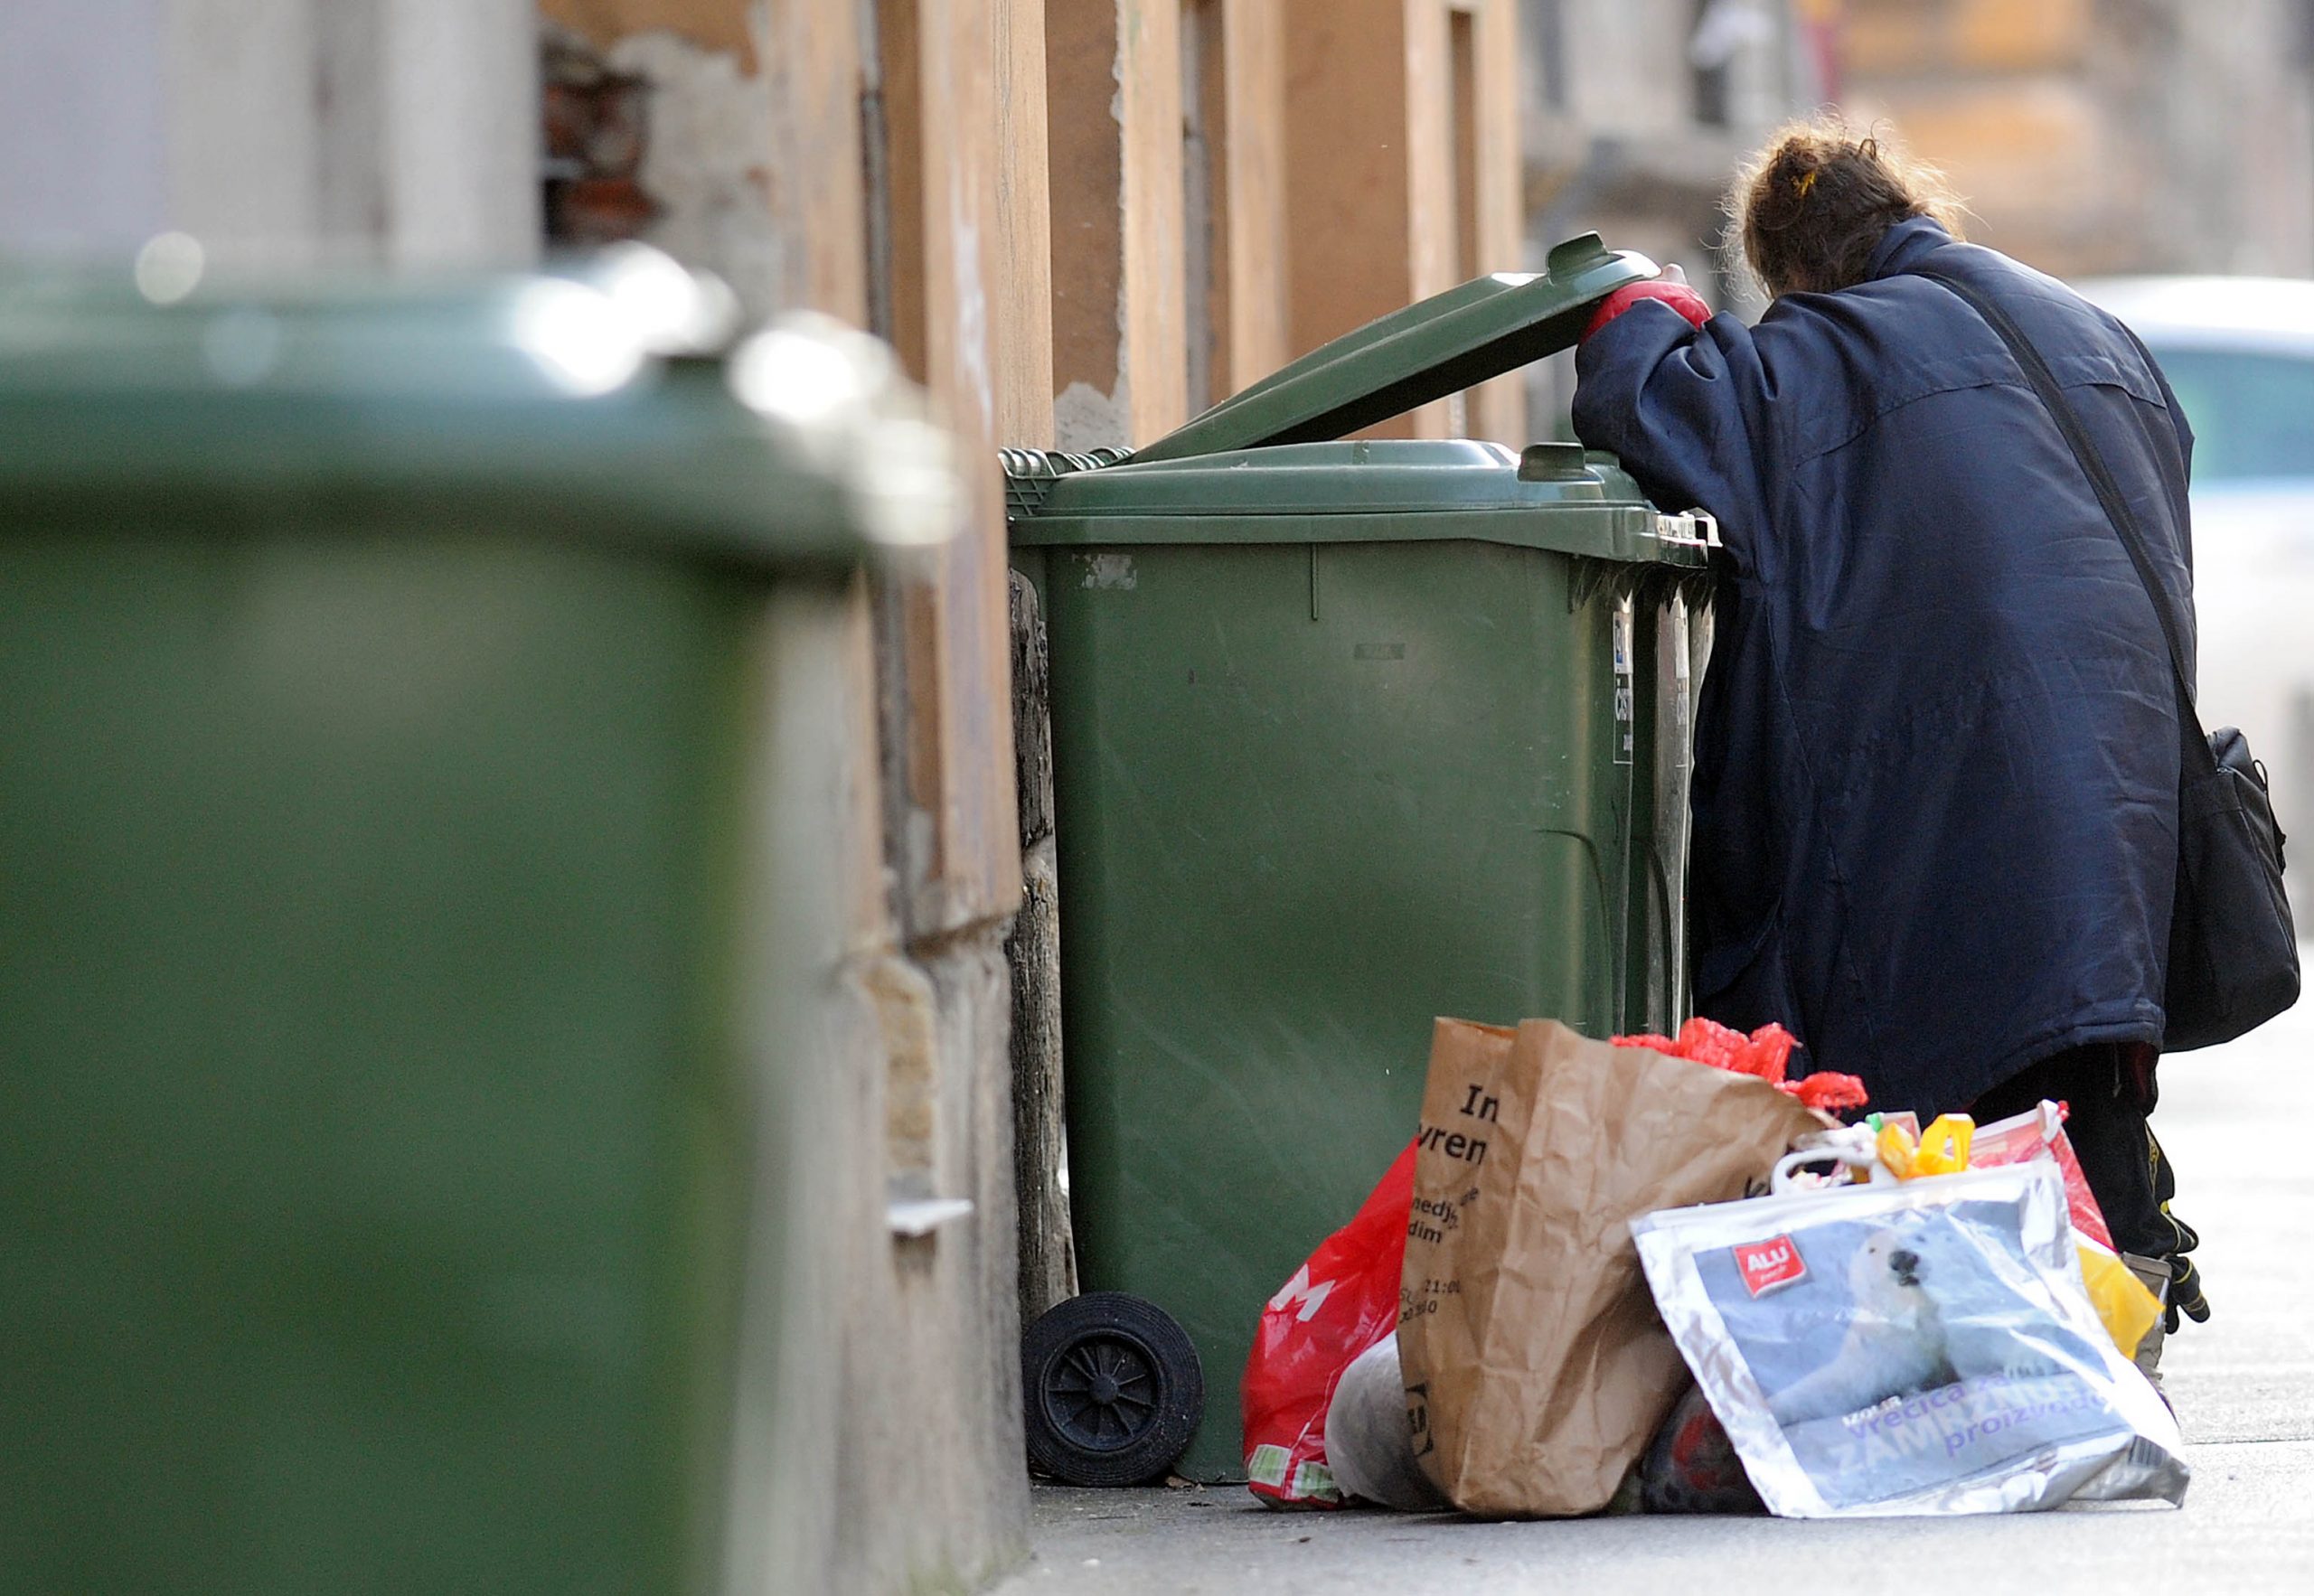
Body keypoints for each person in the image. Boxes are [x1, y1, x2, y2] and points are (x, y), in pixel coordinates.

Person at [1571, 118, 2206, 1373]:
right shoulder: (2094, 334)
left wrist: (1639, 301)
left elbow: (1646, 401)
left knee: (1933, 1044)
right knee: (2078, 1025)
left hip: (1937, 793)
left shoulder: (1816, 358)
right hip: (2127, 793)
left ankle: (1967, 1327)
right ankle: (2114, 1249)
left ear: (1790, 273)